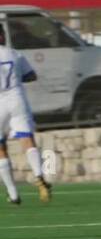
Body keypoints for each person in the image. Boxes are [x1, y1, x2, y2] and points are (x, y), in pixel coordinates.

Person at [0, 28, 53, 204]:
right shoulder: (15, 54)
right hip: (17, 100)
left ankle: (13, 193)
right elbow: (31, 76)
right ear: (2, 36)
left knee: (1, 148)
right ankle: (39, 176)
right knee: (27, 140)